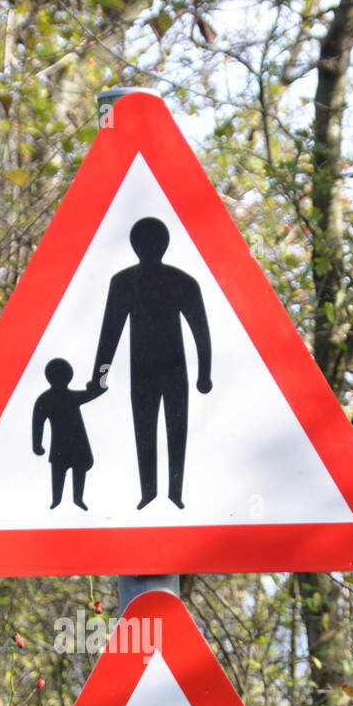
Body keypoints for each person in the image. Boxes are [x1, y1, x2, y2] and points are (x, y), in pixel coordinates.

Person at [87, 217, 211, 509]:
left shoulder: (182, 282)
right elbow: (110, 334)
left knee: (174, 430)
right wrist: (100, 378)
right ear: (135, 246)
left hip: (173, 371)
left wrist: (204, 374)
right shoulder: (123, 283)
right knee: (145, 431)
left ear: (164, 245)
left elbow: (200, 331)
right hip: (142, 373)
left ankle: (175, 493)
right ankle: (149, 492)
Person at [32, 358, 102, 510]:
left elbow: (93, 394)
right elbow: (38, 423)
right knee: (59, 471)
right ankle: (56, 501)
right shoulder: (46, 400)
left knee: (77, 470)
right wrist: (37, 444)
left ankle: (77, 499)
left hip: (75, 444)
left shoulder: (56, 398)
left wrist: (100, 381)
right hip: (62, 445)